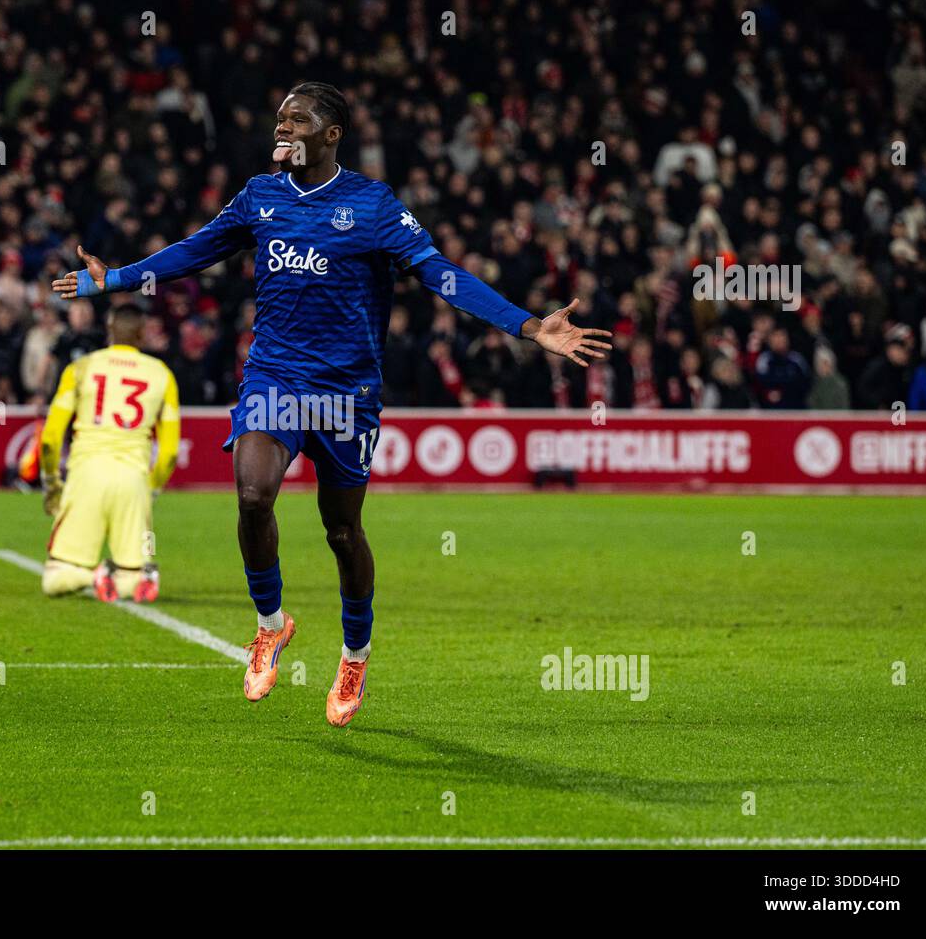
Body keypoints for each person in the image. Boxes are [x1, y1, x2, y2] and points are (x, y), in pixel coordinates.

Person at [52, 82, 610, 726]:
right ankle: (270, 625)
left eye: (298, 119)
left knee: (342, 532)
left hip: (348, 395)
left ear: (332, 133)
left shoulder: (372, 205)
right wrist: (116, 278)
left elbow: (441, 274)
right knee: (254, 495)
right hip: (275, 381)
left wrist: (526, 326)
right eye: (280, 117)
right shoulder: (260, 197)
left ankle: (354, 655)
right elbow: (196, 250)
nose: (283, 128)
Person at [38, 303, 180, 603]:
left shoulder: (81, 368)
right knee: (132, 578)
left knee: (55, 578)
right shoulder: (162, 374)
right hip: (133, 480)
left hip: (87, 474)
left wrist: (51, 482)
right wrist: (151, 489)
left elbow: (50, 438)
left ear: (109, 331)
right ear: (142, 334)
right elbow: (168, 454)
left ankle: (92, 576)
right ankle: (127, 577)